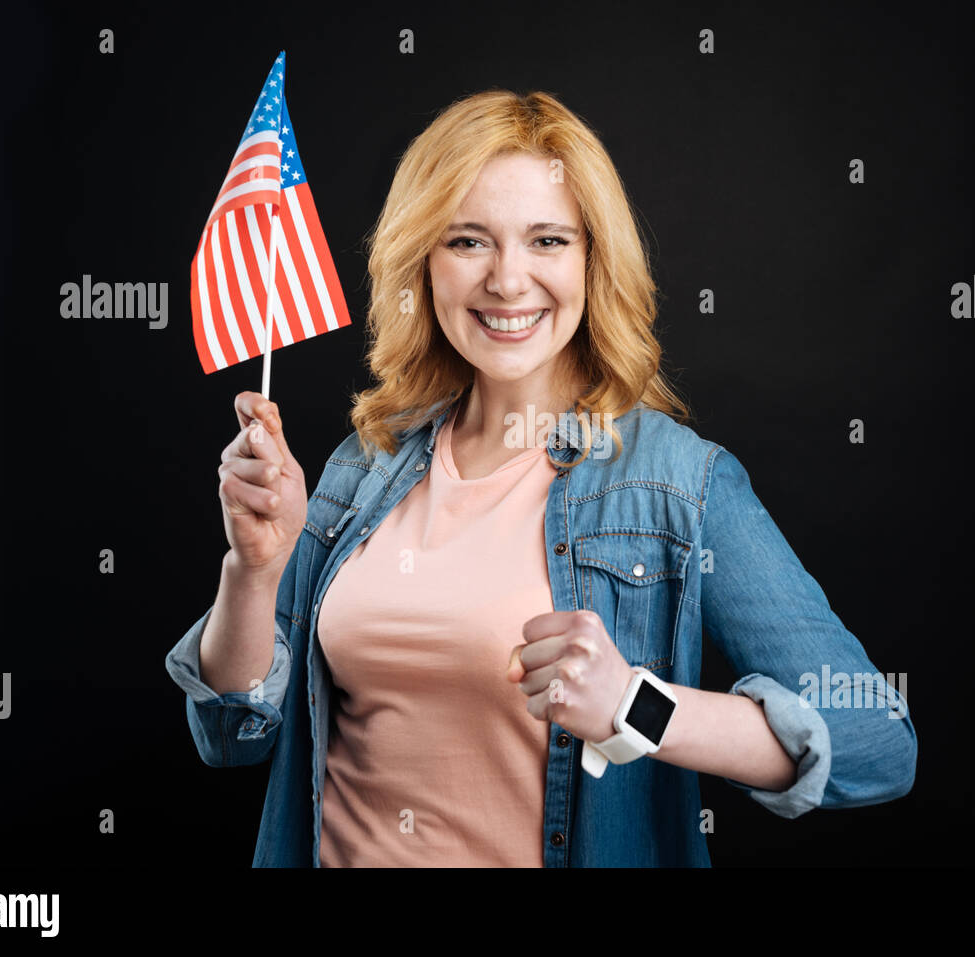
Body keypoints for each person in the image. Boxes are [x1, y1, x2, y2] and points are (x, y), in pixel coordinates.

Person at [164, 89, 917, 867]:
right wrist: (251, 573)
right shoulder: (366, 463)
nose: (508, 280)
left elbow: (878, 743)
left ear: (594, 261)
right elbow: (233, 735)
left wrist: (636, 706)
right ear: (423, 262)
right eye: (468, 241)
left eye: (548, 240)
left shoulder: (675, 483)